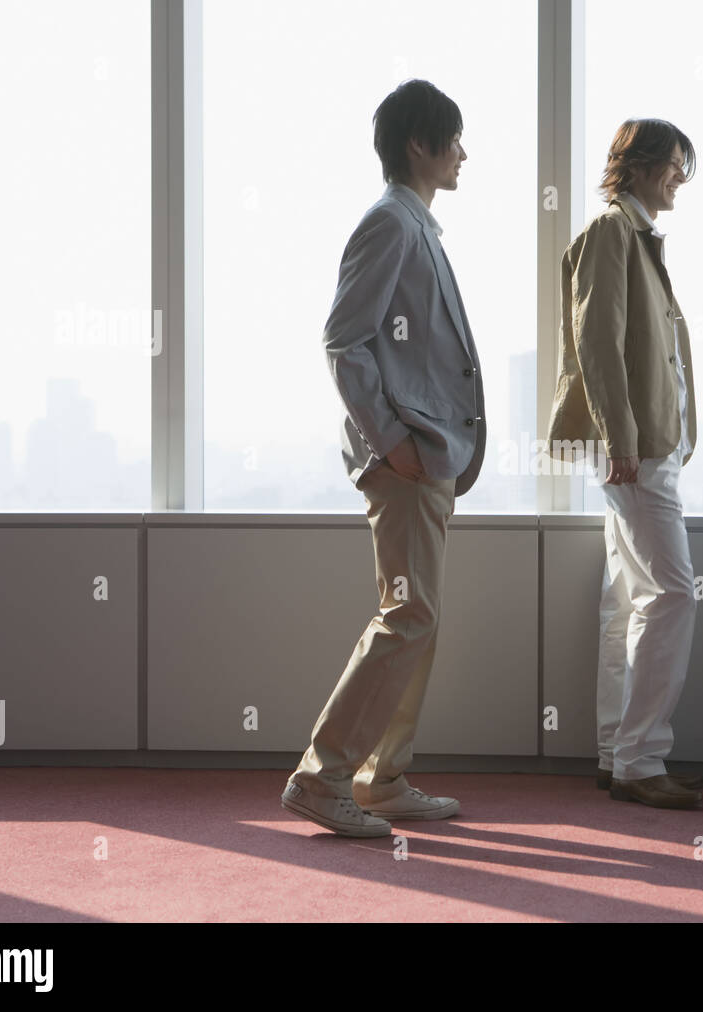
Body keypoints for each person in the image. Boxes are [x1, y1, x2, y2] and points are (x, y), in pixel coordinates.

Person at [282, 79, 485, 838]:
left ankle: (381, 776)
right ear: (419, 144)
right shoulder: (392, 224)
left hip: (428, 460)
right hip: (405, 461)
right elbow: (343, 340)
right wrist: (393, 444)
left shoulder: (418, 225)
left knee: (418, 619)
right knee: (408, 616)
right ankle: (323, 776)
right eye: (454, 138)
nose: (465, 153)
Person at [548, 119, 703, 810]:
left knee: (623, 604)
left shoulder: (638, 239)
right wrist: (620, 442)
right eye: (672, 164)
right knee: (672, 594)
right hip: (636, 453)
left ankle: (618, 754)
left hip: (647, 448)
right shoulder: (612, 235)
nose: (679, 176)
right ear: (637, 167)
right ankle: (642, 759)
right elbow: (599, 344)